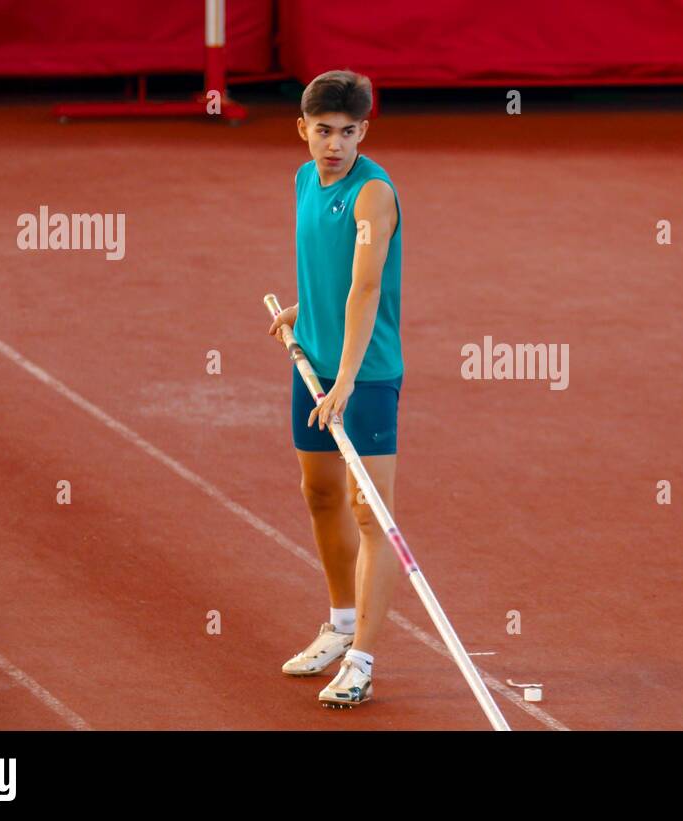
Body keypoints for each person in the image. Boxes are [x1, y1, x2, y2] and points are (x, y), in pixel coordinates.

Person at [267, 69, 403, 709]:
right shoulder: (302, 179)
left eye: (349, 133)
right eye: (323, 131)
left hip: (364, 376)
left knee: (371, 513)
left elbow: (366, 286)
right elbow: (326, 267)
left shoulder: (374, 195)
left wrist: (346, 379)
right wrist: (302, 309)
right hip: (313, 364)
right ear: (303, 130)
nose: (335, 145)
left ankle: (363, 661)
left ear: (363, 132)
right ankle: (340, 624)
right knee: (320, 493)